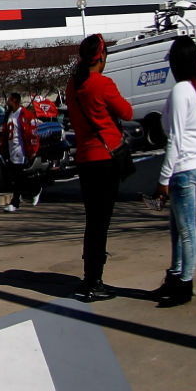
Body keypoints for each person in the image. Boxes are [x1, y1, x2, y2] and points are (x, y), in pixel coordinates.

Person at [64, 34, 134, 303]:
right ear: (101, 57)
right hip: (105, 158)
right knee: (100, 223)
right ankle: (94, 280)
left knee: (93, 221)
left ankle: (90, 276)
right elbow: (126, 112)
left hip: (85, 158)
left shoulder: (73, 86)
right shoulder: (102, 84)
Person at [153, 38, 196, 306]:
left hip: (183, 168)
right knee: (177, 229)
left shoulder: (181, 91)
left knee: (185, 230)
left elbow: (174, 138)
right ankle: (175, 277)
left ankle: (184, 283)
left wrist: (163, 179)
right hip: (192, 164)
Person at [1, 97, 43, 212]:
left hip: (21, 150)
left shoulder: (26, 114)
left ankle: (15, 203)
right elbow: (5, 133)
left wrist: (33, 149)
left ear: (15, 101)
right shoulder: (9, 114)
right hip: (11, 150)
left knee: (18, 177)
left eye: (9, 99)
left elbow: (33, 133)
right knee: (18, 176)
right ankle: (35, 189)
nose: (7, 102)